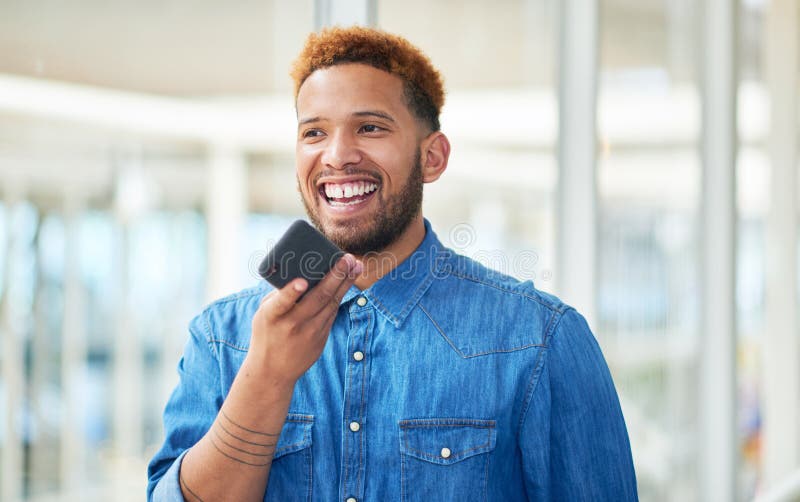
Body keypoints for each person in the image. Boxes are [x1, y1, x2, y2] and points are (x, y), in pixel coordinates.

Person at [147, 26, 638, 501]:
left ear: (433, 157)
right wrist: (267, 376)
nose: (337, 156)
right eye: (314, 132)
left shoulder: (540, 340)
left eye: (370, 127)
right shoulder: (222, 339)